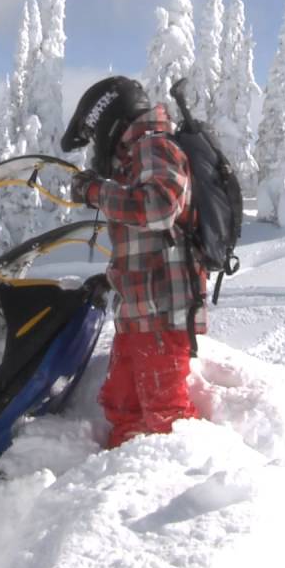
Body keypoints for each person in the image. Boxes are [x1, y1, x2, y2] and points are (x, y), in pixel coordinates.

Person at [61, 76, 207, 448]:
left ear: (110, 120)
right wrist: (115, 277)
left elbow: (158, 206)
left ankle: (185, 494)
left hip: (163, 312)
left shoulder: (154, 146)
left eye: (96, 136)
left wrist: (94, 191)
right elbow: (146, 238)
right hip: (141, 310)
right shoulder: (136, 156)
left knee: (166, 418)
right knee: (123, 405)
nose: (98, 147)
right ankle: (121, 482)